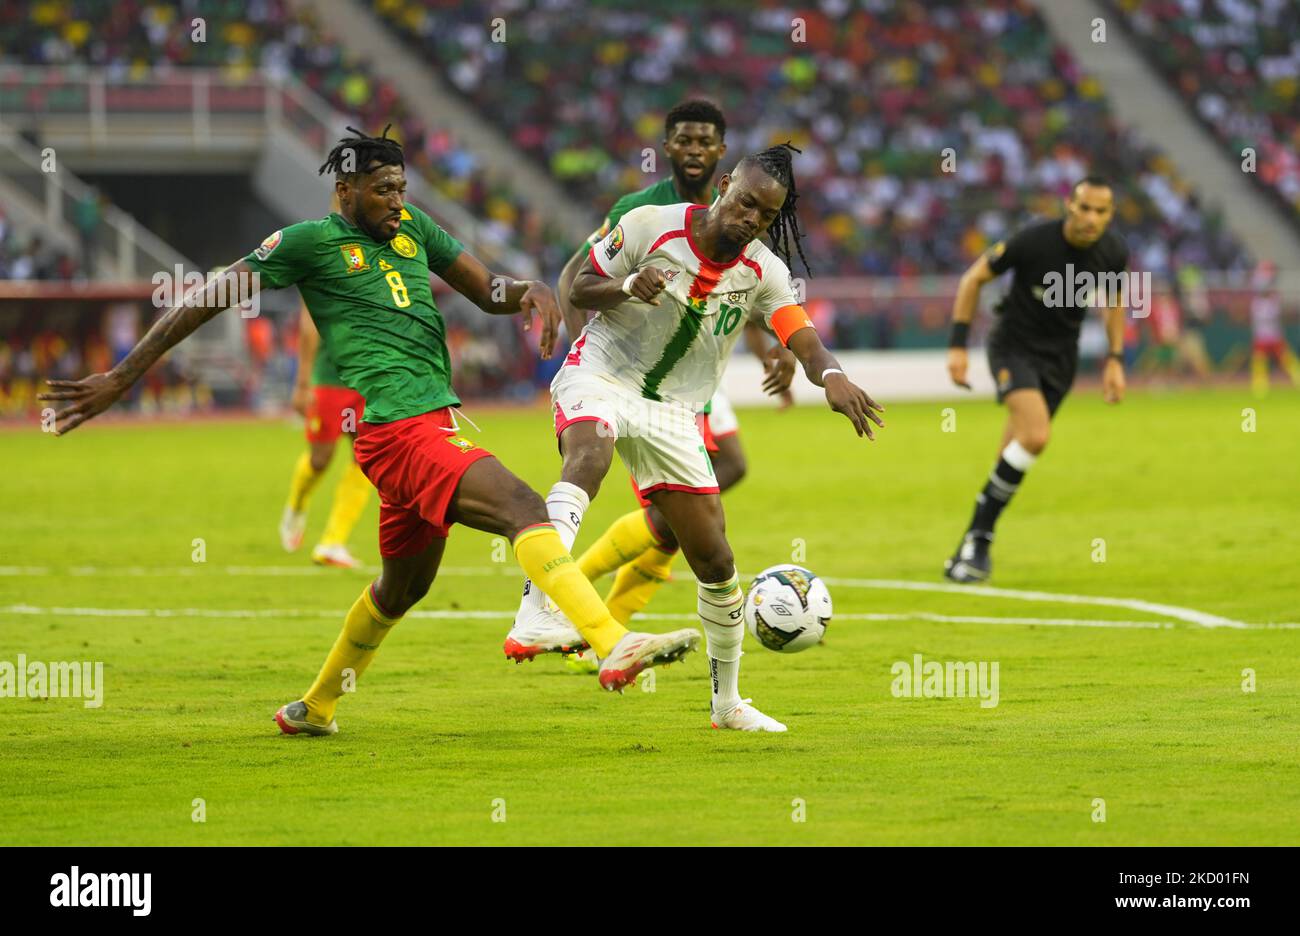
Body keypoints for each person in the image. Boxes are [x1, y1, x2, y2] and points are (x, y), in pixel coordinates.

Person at [39, 126, 700, 737]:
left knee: (402, 588)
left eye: (401, 188)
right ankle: (612, 643)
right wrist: (125, 375)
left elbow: (485, 288)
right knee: (525, 508)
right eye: (382, 190)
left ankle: (315, 706)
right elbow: (209, 295)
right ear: (344, 190)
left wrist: (527, 289)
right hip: (401, 430)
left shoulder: (412, 228)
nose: (395, 200)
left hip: (418, 428)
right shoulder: (305, 243)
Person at [504, 143, 884, 732]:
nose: (752, 218)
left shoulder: (765, 271)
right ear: (727, 183)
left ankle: (727, 704)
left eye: (766, 214)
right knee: (588, 457)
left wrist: (830, 375)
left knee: (715, 557)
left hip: (675, 413)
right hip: (600, 374)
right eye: (747, 202)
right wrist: (629, 284)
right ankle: (539, 608)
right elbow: (579, 288)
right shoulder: (649, 225)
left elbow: (802, 337)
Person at [551, 100, 796, 672]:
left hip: (696, 371)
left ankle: (593, 619)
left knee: (727, 472)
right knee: (671, 516)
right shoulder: (641, 209)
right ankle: (582, 603)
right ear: (668, 148)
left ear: (721, 154)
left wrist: (779, 351)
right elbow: (578, 274)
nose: (693, 149)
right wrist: (586, 351)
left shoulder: (748, 211)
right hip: (635, 371)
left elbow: (748, 297)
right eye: (683, 139)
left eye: (705, 141)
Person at [945, 176, 1128, 582]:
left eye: (1102, 211)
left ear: (1110, 215)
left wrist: (1115, 359)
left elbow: (1115, 302)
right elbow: (973, 279)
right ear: (1070, 206)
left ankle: (972, 546)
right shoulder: (1032, 240)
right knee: (1036, 436)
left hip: (1061, 360)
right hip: (1013, 348)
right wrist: (958, 345)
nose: (1092, 218)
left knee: (1012, 454)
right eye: (1085, 208)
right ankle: (980, 540)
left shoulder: (1114, 251)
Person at [279, 295, 373, 569]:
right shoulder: (322, 263)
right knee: (320, 460)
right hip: (329, 381)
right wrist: (302, 383)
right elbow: (309, 328)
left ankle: (333, 542)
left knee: (365, 459)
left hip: (368, 380)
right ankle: (296, 504)